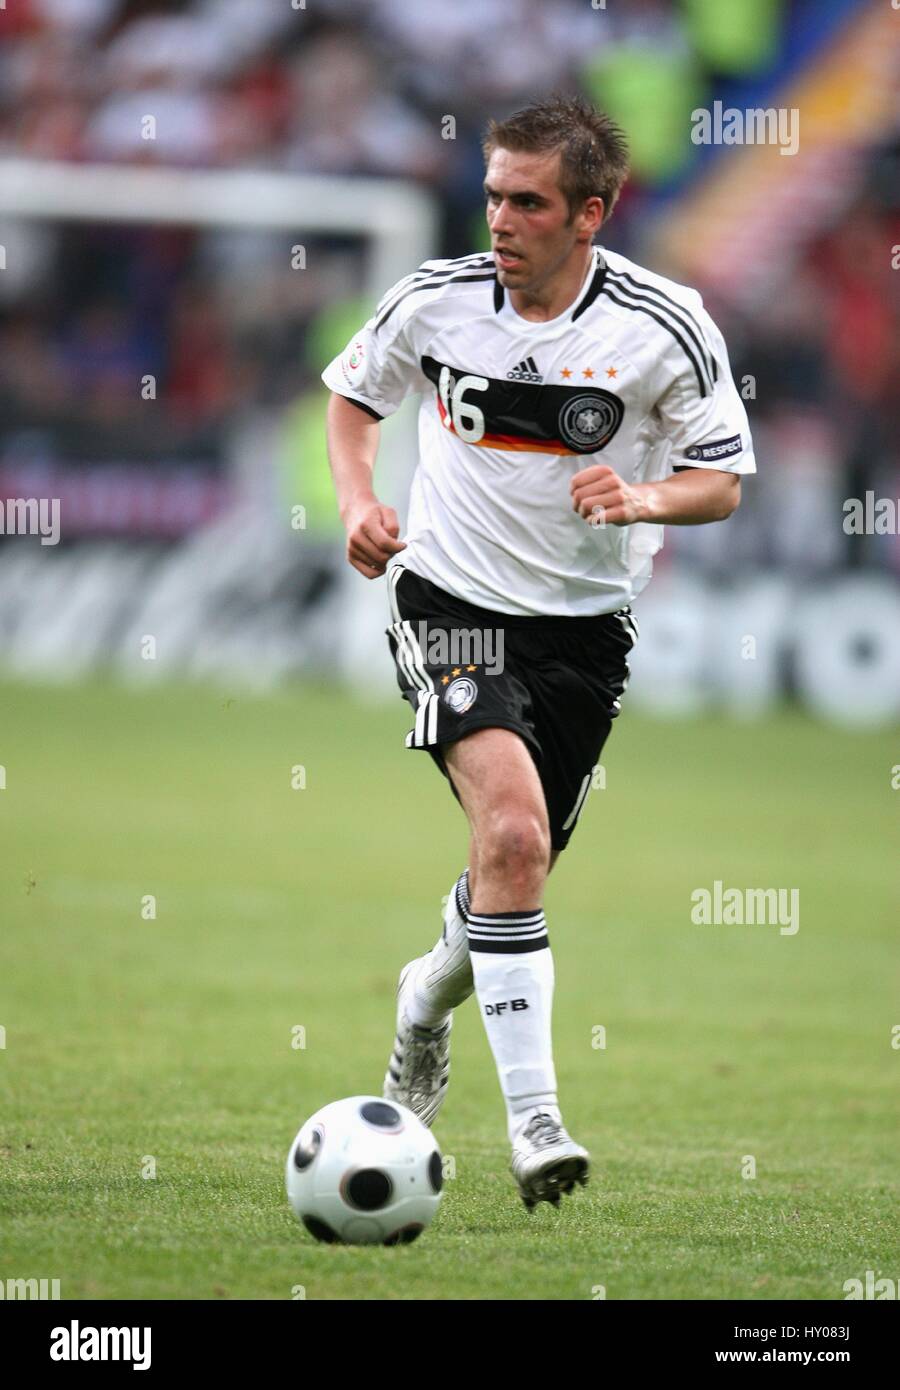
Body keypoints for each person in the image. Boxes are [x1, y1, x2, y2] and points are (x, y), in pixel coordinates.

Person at [321, 95, 755, 1208]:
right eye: (493, 195)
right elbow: (352, 398)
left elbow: (720, 483)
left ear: (589, 216)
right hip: (449, 600)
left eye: (528, 201)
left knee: (513, 868)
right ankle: (537, 1124)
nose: (501, 220)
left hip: (585, 637)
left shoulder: (666, 327)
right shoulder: (436, 300)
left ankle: (425, 998)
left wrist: (642, 494)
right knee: (510, 830)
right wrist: (360, 500)